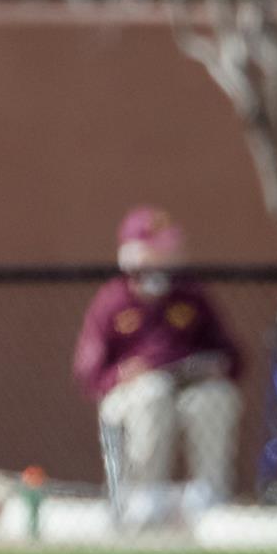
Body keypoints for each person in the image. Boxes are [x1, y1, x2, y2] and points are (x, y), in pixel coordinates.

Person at [72, 206, 242, 522]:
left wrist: (214, 367)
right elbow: (88, 373)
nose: (166, 258)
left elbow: (231, 354)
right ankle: (143, 495)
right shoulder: (111, 301)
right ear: (133, 256)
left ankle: (210, 494)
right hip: (131, 397)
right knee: (153, 392)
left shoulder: (191, 295)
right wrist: (124, 374)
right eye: (156, 251)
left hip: (189, 388)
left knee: (216, 397)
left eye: (168, 250)